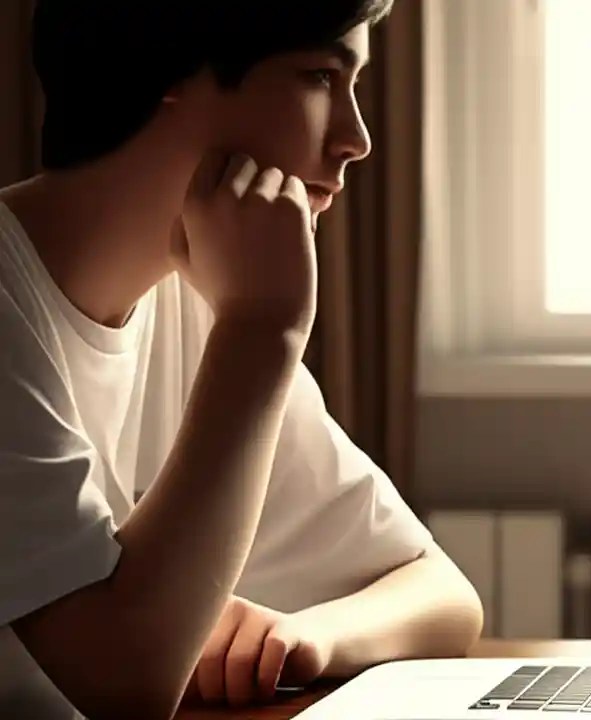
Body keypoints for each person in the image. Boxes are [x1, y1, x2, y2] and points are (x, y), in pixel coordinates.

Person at [0, 1, 484, 718]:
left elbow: (443, 596)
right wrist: (265, 331)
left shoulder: (197, 300)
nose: (358, 140)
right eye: (320, 77)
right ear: (165, 71)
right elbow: (121, 687)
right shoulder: (237, 316)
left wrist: (304, 636)